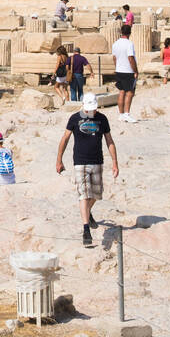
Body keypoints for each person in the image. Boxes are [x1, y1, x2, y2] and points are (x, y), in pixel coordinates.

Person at [55, 92, 119, 249]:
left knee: (96, 194)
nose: (92, 111)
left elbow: (109, 140)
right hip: (80, 162)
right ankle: (86, 230)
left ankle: (87, 212)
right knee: (83, 194)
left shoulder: (102, 119)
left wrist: (115, 162)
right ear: (83, 105)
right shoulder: (74, 118)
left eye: (94, 108)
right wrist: (59, 159)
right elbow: (65, 138)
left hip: (97, 160)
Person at [111, 24, 139, 120]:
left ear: (121, 32)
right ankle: (127, 114)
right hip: (128, 71)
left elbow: (114, 58)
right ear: (130, 33)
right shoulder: (129, 43)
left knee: (121, 91)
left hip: (119, 70)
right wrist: (135, 70)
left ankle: (121, 114)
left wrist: (117, 67)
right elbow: (130, 58)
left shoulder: (115, 43)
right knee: (130, 92)